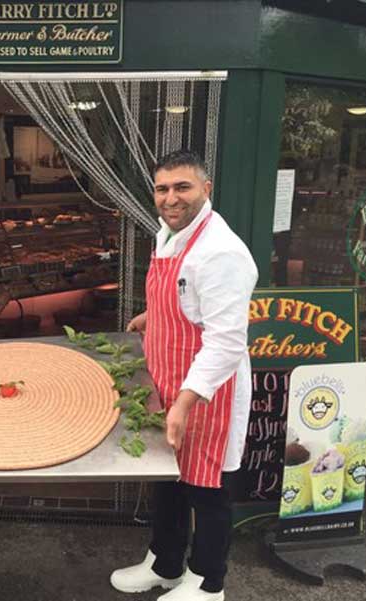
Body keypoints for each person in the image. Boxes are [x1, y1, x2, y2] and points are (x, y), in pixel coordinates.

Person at [110, 151, 257, 601]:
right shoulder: (170, 235)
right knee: (168, 480)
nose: (171, 198)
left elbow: (226, 341)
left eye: (182, 187)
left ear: (206, 189)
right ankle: (165, 563)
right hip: (166, 381)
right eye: (162, 189)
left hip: (209, 392)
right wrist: (153, 315)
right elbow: (188, 300)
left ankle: (209, 583)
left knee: (207, 489)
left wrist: (186, 401)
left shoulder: (221, 252)